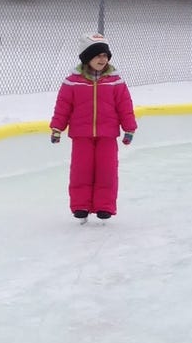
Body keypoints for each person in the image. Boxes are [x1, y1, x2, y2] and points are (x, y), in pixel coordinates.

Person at [49, 36, 137, 221]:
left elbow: (125, 105)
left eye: (105, 55)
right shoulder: (72, 81)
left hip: (107, 134)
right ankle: (81, 206)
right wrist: (57, 128)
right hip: (82, 135)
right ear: (86, 58)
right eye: (97, 55)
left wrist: (129, 128)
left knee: (107, 171)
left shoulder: (115, 81)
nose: (102, 59)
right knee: (81, 171)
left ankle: (104, 206)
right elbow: (63, 106)